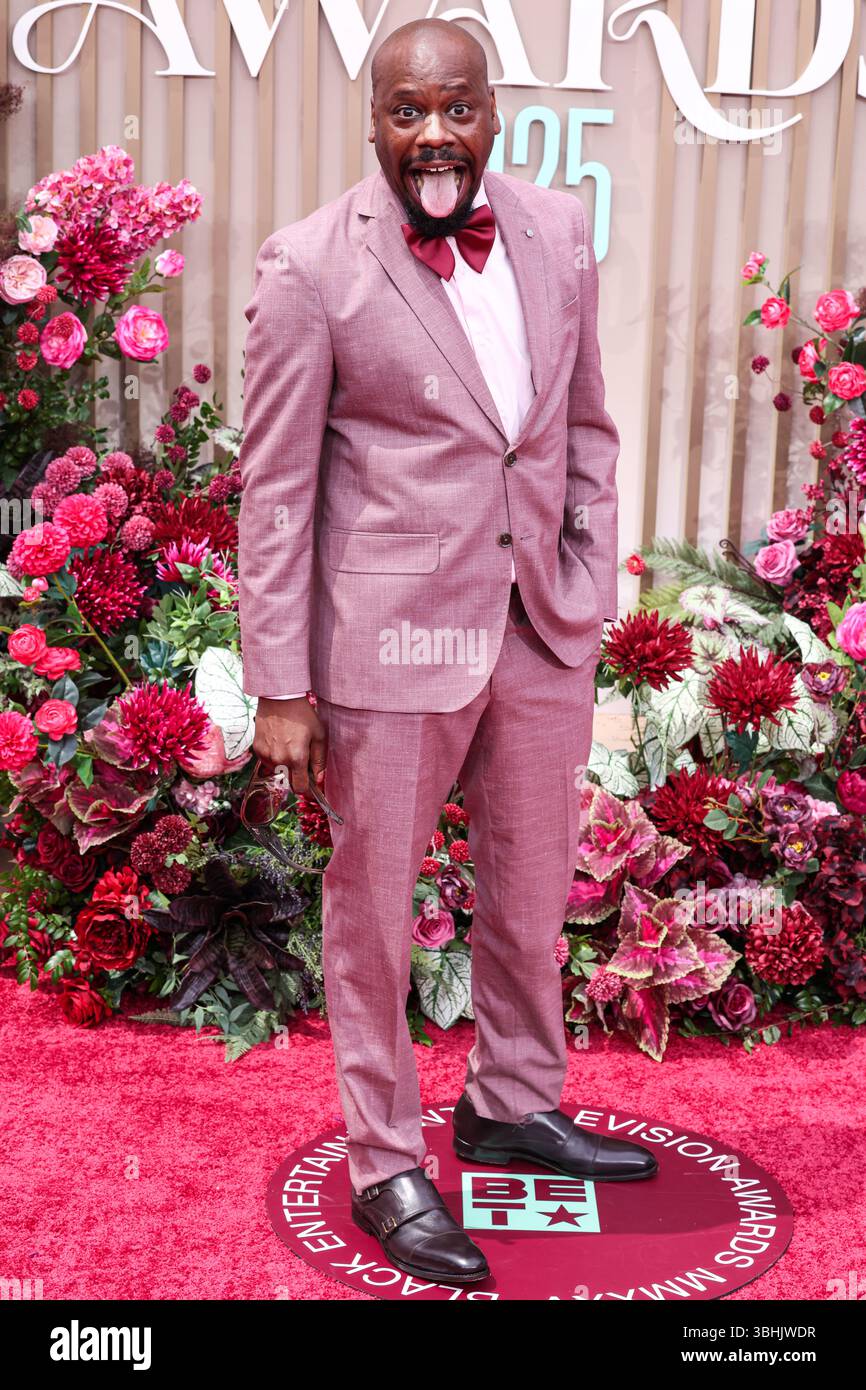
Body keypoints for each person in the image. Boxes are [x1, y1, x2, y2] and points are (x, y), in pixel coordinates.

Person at [237, 16, 657, 1286]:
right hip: (383, 644)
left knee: (533, 897)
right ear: (373, 118)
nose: (433, 136)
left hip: (537, 622)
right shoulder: (311, 265)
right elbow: (273, 488)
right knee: (371, 916)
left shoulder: (555, 230)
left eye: (456, 110)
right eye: (406, 111)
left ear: (493, 111)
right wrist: (280, 685)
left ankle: (511, 1102)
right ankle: (385, 1164)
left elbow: (581, 424)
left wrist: (582, 568)